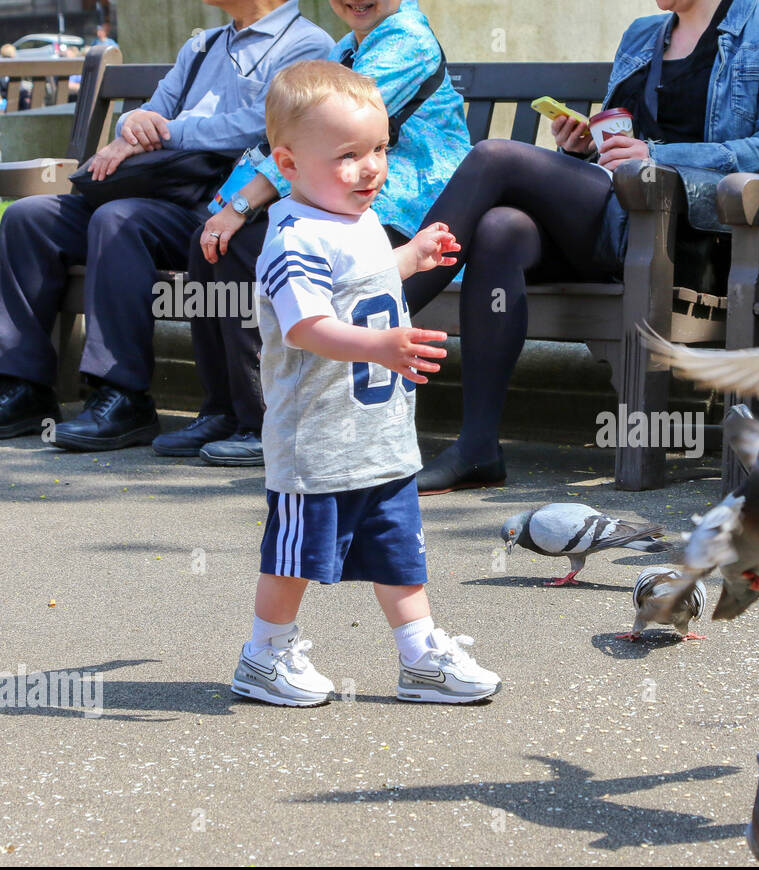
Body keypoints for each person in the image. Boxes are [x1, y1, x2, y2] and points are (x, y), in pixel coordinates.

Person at [401, 0, 759, 494]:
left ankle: (377, 311)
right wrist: (581, 150)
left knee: (494, 156)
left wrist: (656, 156)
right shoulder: (644, 34)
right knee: (500, 229)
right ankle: (477, 449)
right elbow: (620, 150)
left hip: (690, 237)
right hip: (620, 217)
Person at [231, 60, 501, 708]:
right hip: (317, 444)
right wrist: (381, 345)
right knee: (292, 559)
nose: (371, 168)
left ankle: (420, 657)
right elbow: (306, 326)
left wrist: (412, 256)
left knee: (399, 552)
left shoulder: (359, 221)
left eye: (379, 149)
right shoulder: (294, 238)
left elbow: (370, 279)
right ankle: (263, 655)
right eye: (348, 156)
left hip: (379, 438)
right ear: (289, 165)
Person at [0, 1, 333, 448]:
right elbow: (152, 112)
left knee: (118, 220)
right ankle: (24, 388)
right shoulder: (203, 44)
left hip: (217, 205)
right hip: (156, 191)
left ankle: (123, 396)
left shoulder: (306, 44)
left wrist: (169, 132)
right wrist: (132, 124)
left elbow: (264, 127)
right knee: (29, 218)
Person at [157, 0, 470, 467]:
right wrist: (225, 206)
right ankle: (224, 407)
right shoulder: (347, 48)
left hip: (398, 207)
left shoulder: (408, 40)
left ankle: (262, 420)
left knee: (243, 243)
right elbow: (285, 143)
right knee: (212, 242)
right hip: (339, 198)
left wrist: (240, 206)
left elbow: (318, 139)